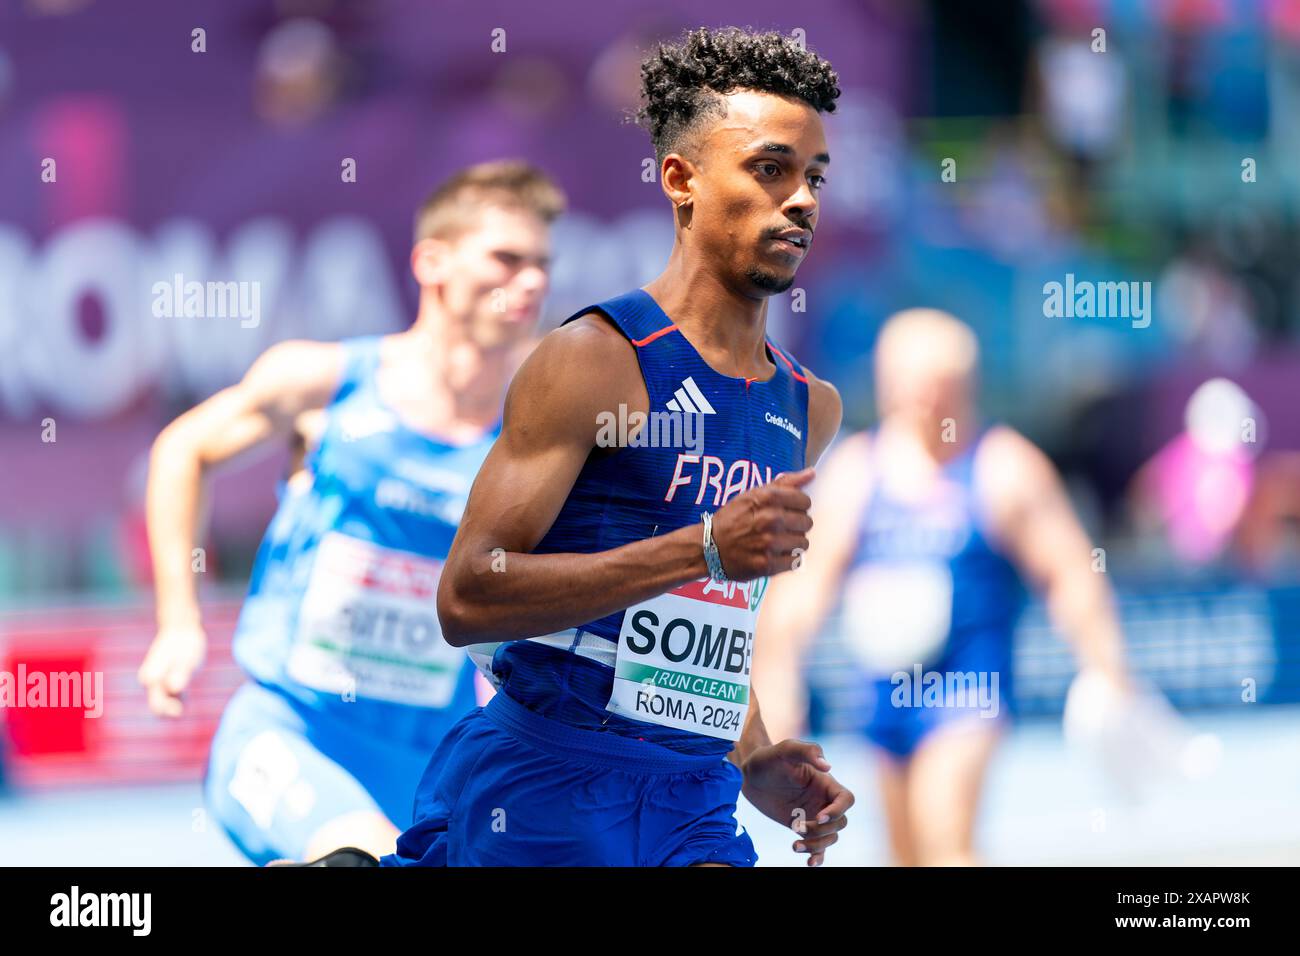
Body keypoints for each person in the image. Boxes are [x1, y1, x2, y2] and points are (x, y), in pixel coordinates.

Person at [384, 26, 852, 868]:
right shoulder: (596, 359)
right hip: (541, 787)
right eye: (771, 169)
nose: (804, 200)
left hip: (690, 800)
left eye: (814, 177)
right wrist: (704, 546)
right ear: (682, 180)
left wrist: (753, 758)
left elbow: (709, 628)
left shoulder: (807, 407)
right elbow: (466, 599)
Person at [136, 161, 565, 865]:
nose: (531, 282)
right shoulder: (323, 383)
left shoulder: (537, 436)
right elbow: (182, 450)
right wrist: (178, 622)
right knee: (353, 860)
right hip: (291, 734)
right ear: (431, 262)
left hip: (437, 766)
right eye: (506, 258)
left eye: (542, 264)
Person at [753, 307, 1133, 866]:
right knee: (905, 855)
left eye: (942, 390)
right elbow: (800, 599)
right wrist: (779, 691)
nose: (928, 405)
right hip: (882, 692)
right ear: (887, 386)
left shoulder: (1005, 468)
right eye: (913, 389)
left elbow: (1071, 572)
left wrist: (1108, 671)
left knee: (945, 839)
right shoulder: (860, 473)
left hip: (967, 689)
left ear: (966, 388)